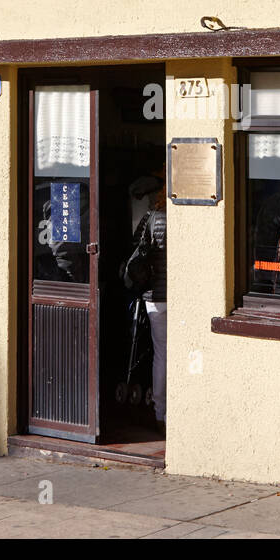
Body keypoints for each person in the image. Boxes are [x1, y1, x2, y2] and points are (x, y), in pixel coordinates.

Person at [126, 174, 167, 432]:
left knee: (162, 355)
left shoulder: (149, 220)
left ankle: (161, 412)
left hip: (156, 298)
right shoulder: (186, 215)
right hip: (184, 296)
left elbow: (135, 253)